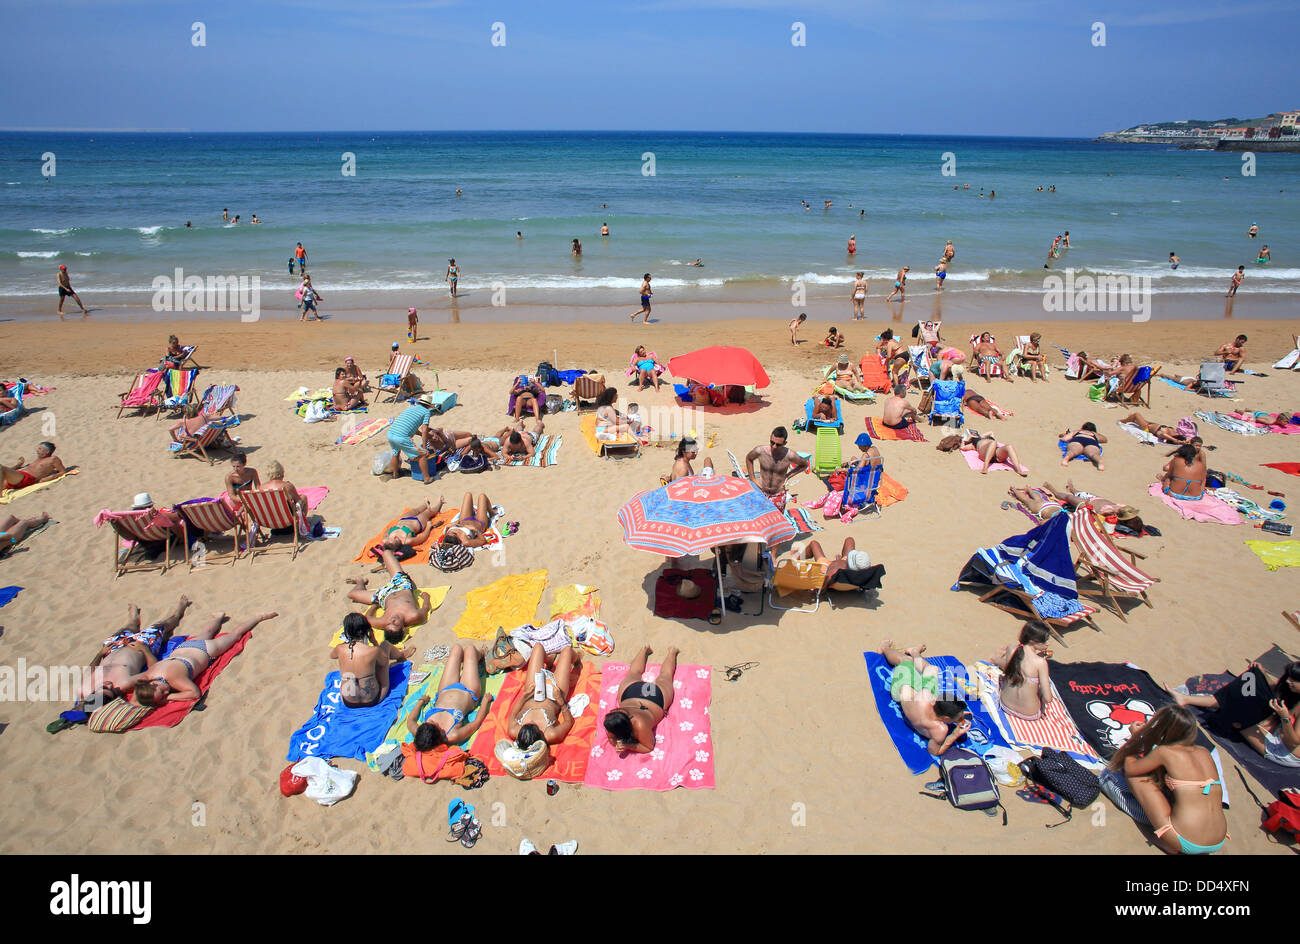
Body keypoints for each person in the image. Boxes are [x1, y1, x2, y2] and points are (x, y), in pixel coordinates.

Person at [1107, 705, 1228, 855]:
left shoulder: (1165, 752)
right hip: (1218, 839)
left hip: (1184, 840)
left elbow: (1132, 769)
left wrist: (1136, 738)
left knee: (1137, 777)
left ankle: (1168, 844)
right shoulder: (1204, 752)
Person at [129, 610, 278, 707]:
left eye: (161, 692)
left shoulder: (174, 679)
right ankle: (219, 617)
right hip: (184, 647)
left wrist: (167, 699)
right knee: (207, 631)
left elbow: (194, 693)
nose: (165, 693)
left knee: (235, 635)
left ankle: (259, 616)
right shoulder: (149, 675)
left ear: (154, 685)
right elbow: (135, 697)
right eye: (163, 695)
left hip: (206, 650)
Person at [1173, 661, 1300, 769]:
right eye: (1289, 676)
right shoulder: (1293, 691)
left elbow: (1293, 742)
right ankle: (1190, 699)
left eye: (1294, 680)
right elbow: (1273, 691)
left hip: (1285, 752)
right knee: (1247, 697)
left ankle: (1189, 699)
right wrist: (1262, 673)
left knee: (1237, 717)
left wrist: (1284, 717)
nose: (1289, 681)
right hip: (1281, 735)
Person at [72, 597, 192, 708]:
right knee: (164, 625)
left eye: (104, 687)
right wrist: (144, 649)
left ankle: (134, 619)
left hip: (113, 647)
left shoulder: (84, 689)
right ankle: (179, 612)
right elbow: (155, 670)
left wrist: (100, 654)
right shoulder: (123, 684)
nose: (109, 684)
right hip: (141, 645)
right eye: (111, 690)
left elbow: (91, 669)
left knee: (130, 627)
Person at [879, 641, 970, 755]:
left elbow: (930, 696)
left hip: (904, 692)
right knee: (928, 668)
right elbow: (934, 751)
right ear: (946, 718)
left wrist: (955, 712)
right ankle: (908, 651)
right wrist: (954, 735)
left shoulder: (927, 697)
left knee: (909, 663)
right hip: (912, 697)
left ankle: (892, 649)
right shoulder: (940, 730)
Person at [410, 643, 493, 746]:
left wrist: (421, 702)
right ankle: (480, 654)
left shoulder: (421, 733)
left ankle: (468, 662)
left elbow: (411, 721)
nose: (431, 720)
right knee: (470, 650)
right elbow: (475, 723)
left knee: (456, 649)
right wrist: (485, 702)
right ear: (438, 733)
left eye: (428, 722)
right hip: (469, 691)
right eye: (433, 724)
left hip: (446, 689)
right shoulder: (452, 735)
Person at [603, 646, 678, 754]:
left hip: (655, 700)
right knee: (636, 673)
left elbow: (648, 747)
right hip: (631, 694)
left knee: (664, 676)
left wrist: (628, 745)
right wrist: (618, 743)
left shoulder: (639, 725)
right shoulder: (613, 717)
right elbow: (612, 739)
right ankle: (648, 649)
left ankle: (671, 652)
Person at [506, 643, 583, 749]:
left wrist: (525, 695)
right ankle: (577, 660)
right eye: (534, 725)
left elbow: (513, 713)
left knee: (538, 647)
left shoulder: (514, 731)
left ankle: (549, 661)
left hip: (532, 693)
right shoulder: (551, 734)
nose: (531, 721)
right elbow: (569, 722)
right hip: (555, 696)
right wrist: (561, 701)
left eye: (527, 724)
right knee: (567, 650)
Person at [346, 547, 432, 640]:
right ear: (403, 629)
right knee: (386, 553)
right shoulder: (414, 616)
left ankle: (360, 582)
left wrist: (374, 606)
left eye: (389, 624)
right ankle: (387, 564)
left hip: (383, 596)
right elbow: (425, 608)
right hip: (401, 585)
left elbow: (368, 618)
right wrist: (426, 597)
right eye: (395, 624)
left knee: (351, 594)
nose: (392, 620)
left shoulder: (383, 622)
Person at [331, 612, 413, 708]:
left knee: (348, 671)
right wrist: (374, 641)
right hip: (374, 699)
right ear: (367, 630)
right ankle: (401, 655)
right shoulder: (373, 651)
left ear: (347, 632)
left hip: (348, 701)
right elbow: (383, 662)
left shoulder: (340, 648)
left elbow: (333, 656)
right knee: (385, 646)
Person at [990, 625, 1053, 720]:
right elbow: (1047, 699)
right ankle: (995, 659)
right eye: (1045, 640)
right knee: (1046, 685)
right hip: (1029, 714)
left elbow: (1011, 667)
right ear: (1033, 641)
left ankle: (995, 659)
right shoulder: (1040, 663)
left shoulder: (1011, 648)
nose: (1048, 643)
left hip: (1006, 705)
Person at [745, 426, 809, 511]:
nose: (774, 446)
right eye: (772, 442)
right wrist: (752, 478)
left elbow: (804, 464)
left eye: (778, 444)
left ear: (785, 443)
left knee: (776, 520)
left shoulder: (789, 455)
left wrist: (788, 476)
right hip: (761, 490)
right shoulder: (761, 451)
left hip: (778, 494)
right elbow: (749, 458)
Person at [386, 395, 437, 481]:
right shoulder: (426, 412)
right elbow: (424, 430)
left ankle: (395, 474)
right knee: (422, 455)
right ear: (428, 406)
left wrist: (421, 434)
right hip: (402, 437)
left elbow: (411, 426)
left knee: (396, 453)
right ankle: (427, 478)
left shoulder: (410, 408)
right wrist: (425, 448)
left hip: (391, 433)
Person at [937, 429, 1029, 476]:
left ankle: (1018, 470)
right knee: (993, 443)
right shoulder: (973, 443)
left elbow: (992, 432)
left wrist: (983, 435)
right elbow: (963, 448)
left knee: (1009, 446)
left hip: (996, 453)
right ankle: (985, 467)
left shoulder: (985, 437)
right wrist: (964, 441)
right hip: (984, 455)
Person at [380, 497, 446, 551]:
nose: (394, 537)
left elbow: (387, 530)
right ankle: (440, 503)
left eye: (390, 539)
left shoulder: (385, 540)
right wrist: (428, 527)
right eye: (395, 539)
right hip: (417, 523)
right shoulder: (407, 540)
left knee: (414, 511)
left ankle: (425, 505)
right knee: (429, 512)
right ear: (397, 545)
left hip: (403, 520)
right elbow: (423, 538)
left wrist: (390, 529)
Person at [1, 441, 65, 491]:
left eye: (40, 449)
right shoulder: (39, 459)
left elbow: (63, 471)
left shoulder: (53, 459)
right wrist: (19, 465)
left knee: (1, 468)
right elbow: (8, 471)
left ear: (47, 451)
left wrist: (47, 478)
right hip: (18, 476)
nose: (37, 450)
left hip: (27, 478)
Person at [1121, 412, 1195, 445]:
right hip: (1150, 424)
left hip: (1146, 428)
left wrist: (1175, 440)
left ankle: (1123, 421)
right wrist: (1185, 442)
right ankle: (1130, 419)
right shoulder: (1175, 433)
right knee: (1134, 417)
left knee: (1136, 415)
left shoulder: (1163, 435)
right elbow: (1188, 439)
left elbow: (1162, 434)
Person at [222, 450, 260, 514]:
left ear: (244, 464)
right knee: (234, 504)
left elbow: (258, 487)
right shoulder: (229, 477)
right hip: (236, 498)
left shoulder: (252, 472)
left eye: (238, 466)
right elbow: (231, 495)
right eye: (233, 466)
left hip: (248, 496)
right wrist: (241, 500)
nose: (235, 469)